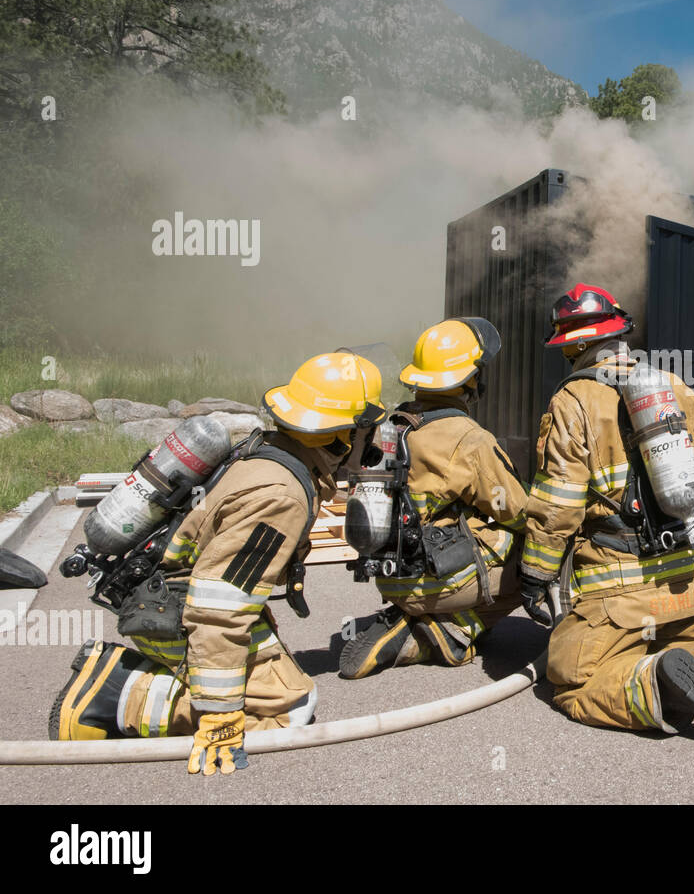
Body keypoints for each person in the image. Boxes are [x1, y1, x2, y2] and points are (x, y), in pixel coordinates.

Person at [50, 351, 386, 775]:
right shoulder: (280, 496)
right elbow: (218, 609)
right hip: (173, 609)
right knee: (290, 710)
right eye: (368, 428)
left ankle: (142, 683)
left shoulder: (270, 453)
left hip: (164, 591)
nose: (371, 441)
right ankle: (112, 694)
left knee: (280, 683)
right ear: (344, 434)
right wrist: (220, 715)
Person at [517, 283, 694, 742]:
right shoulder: (672, 386)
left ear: (573, 346)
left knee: (572, 678)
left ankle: (656, 684)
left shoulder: (573, 401)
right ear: (621, 333)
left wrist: (535, 574)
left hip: (623, 595)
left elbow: (557, 506)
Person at [338, 317, 528, 679]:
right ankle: (448, 632)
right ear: (470, 380)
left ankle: (415, 619)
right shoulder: (467, 438)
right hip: (434, 580)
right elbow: (518, 512)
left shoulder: (393, 425)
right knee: (533, 547)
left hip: (390, 576)